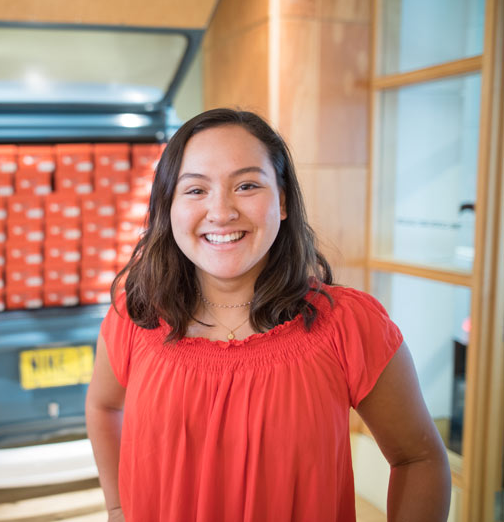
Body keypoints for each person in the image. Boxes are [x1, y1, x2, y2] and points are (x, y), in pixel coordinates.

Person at [85, 108, 451, 521]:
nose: (221, 212)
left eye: (246, 185)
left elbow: (418, 459)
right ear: (168, 208)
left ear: (283, 202)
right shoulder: (135, 315)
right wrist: (117, 507)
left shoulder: (349, 323)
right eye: (195, 190)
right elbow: (102, 407)